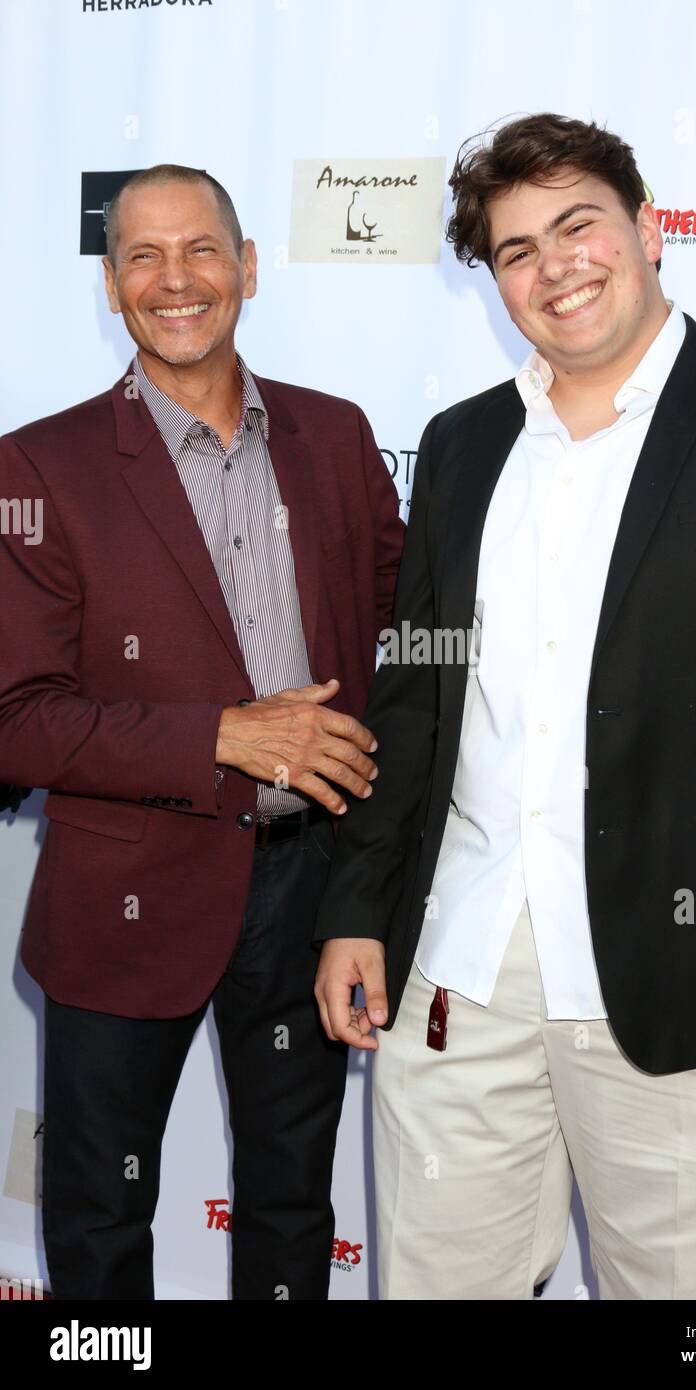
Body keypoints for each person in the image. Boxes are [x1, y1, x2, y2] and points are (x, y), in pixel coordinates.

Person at [312, 114, 696, 1300]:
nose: (553, 264)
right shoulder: (459, 445)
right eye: (515, 249)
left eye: (577, 226)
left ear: (647, 228)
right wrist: (357, 903)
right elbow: (412, 696)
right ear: (495, 282)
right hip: (457, 972)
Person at [0, 163, 403, 1300]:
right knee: (97, 1214)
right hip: (126, 899)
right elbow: (15, 721)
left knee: (291, 1201)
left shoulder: (333, 436)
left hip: (312, 896)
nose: (175, 280)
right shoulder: (40, 465)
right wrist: (220, 736)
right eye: (142, 256)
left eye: (201, 250)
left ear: (249, 268)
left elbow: (402, 640)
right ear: (112, 287)